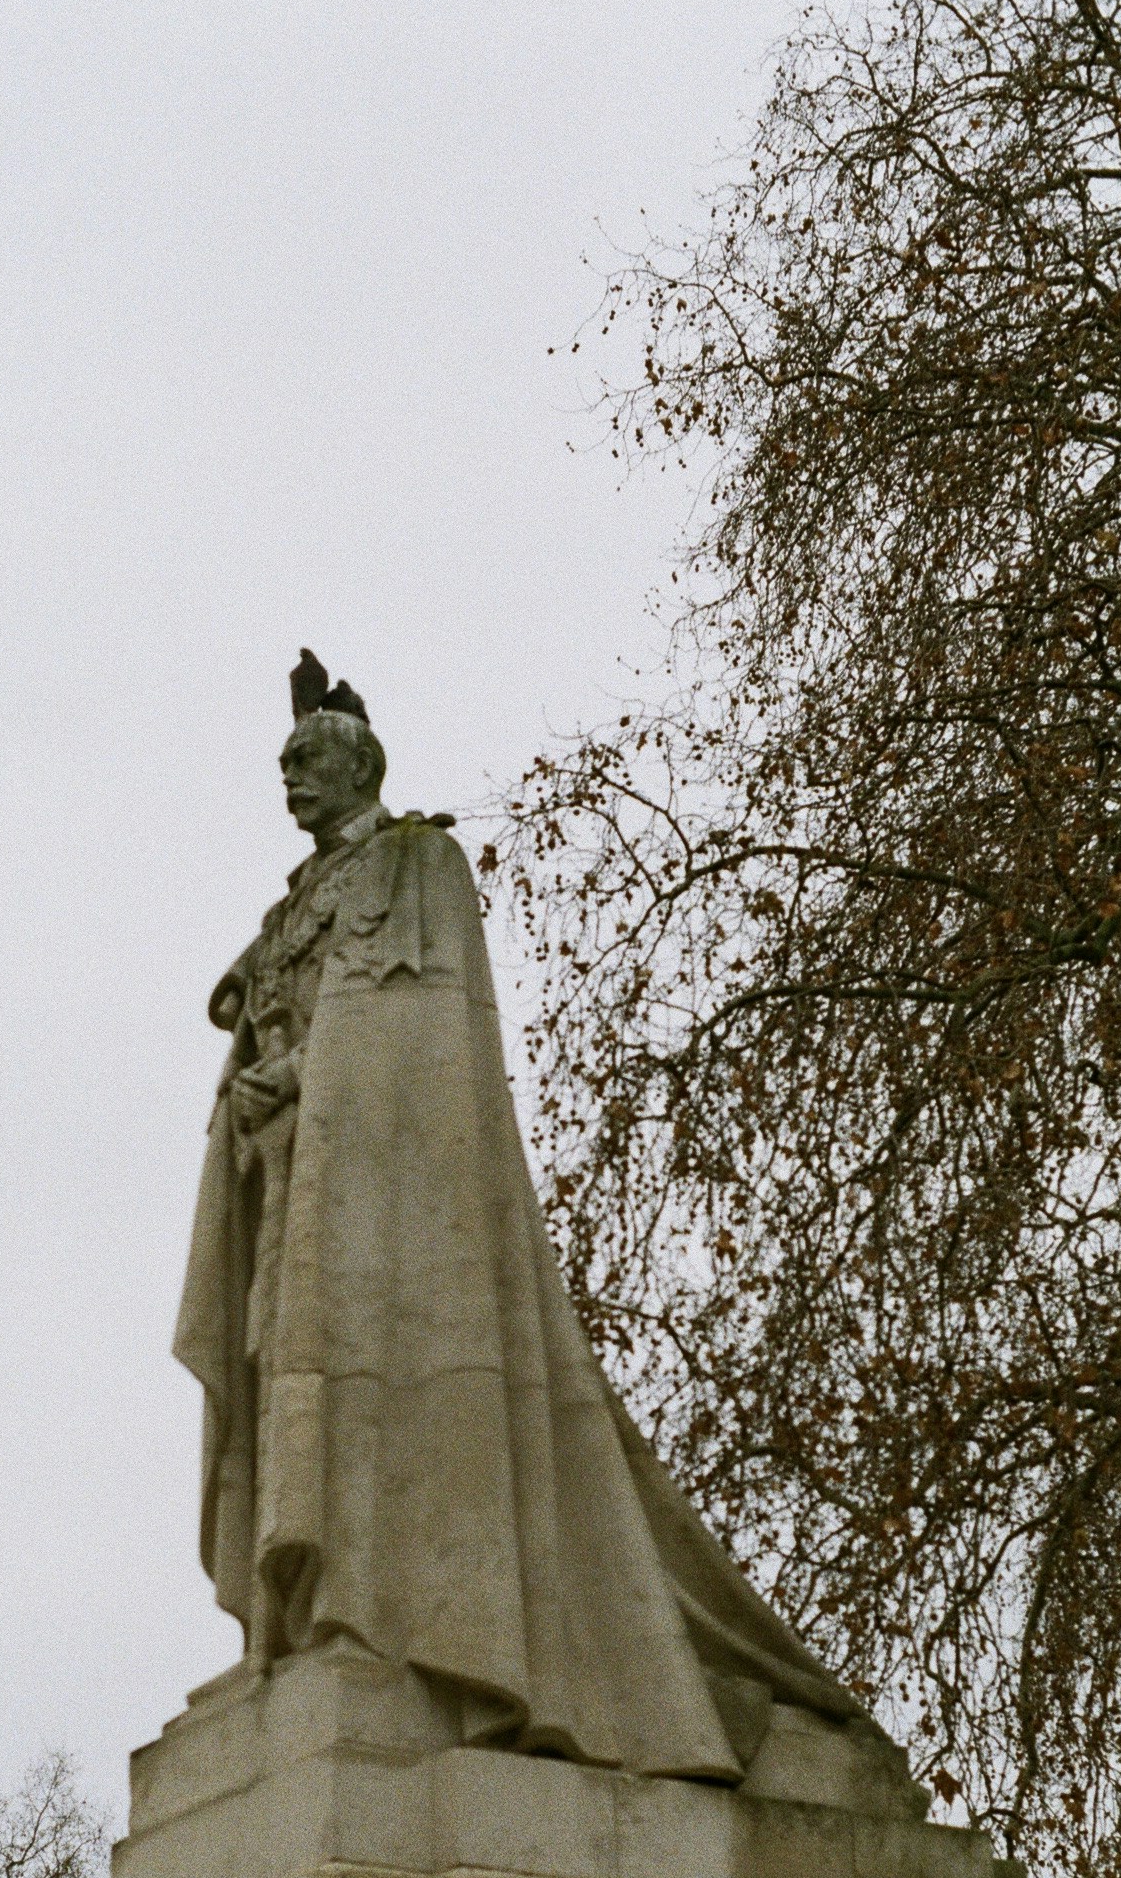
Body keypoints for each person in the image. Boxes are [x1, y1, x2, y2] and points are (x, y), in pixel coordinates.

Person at [173, 655, 875, 1780]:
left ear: (358, 764)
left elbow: (414, 1039)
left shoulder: (416, 867)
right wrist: (259, 1087)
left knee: (373, 1384)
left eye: (306, 761)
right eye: (284, 766)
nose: (290, 783)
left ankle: (369, 1614)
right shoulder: (287, 913)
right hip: (291, 1189)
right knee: (284, 1379)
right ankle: (297, 1619)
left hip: (386, 1212)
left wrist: (306, 1069)